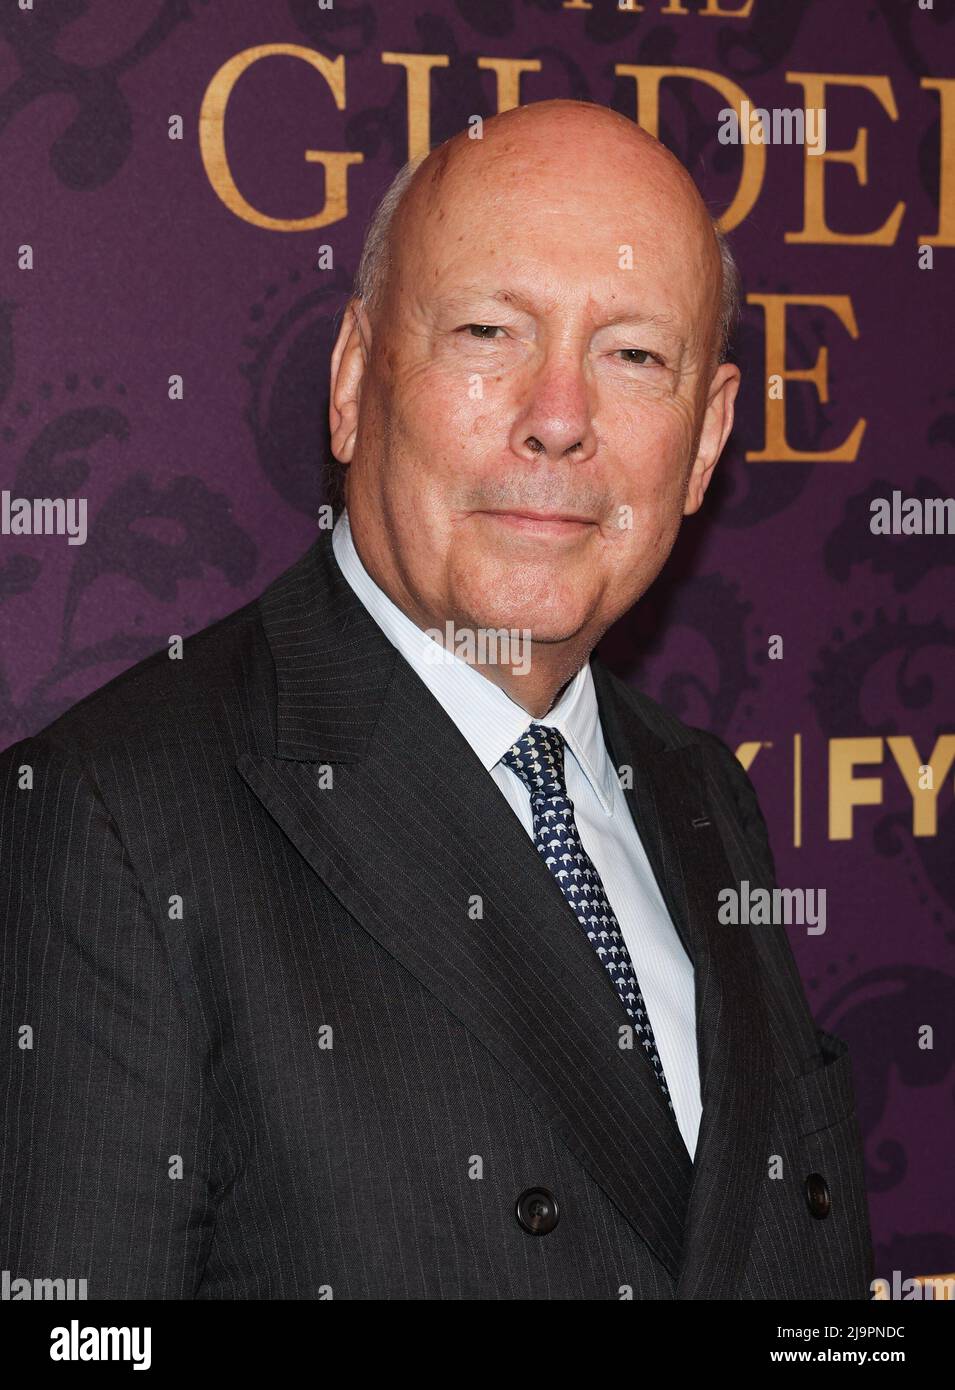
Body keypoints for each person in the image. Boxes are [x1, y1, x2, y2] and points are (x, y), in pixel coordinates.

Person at [0, 99, 873, 1300]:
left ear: (708, 433)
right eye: (486, 331)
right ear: (355, 381)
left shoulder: (700, 793)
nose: (558, 419)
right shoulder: (115, 824)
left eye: (631, 355)